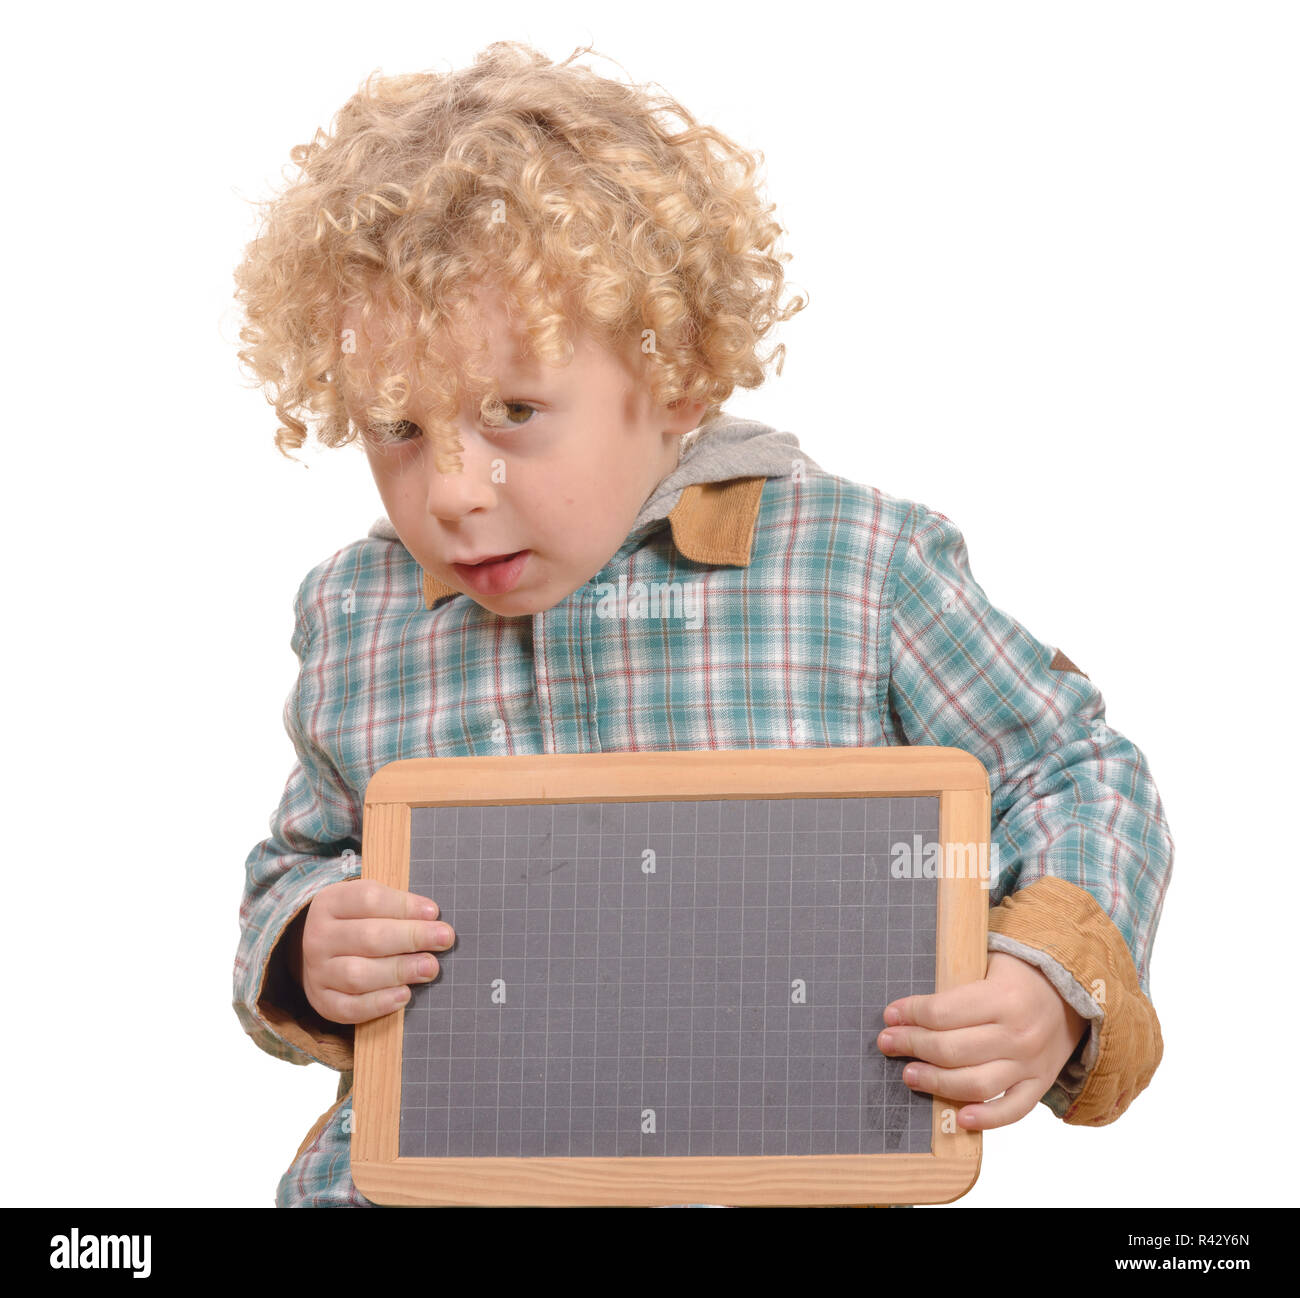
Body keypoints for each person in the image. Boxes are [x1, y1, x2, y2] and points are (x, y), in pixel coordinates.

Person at [231, 41, 1171, 1208]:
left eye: (514, 412)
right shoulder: (357, 614)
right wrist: (308, 941)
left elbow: (1076, 771)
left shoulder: (852, 567)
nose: (455, 489)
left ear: (673, 375)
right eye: (398, 428)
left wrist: (1042, 976)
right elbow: (304, 854)